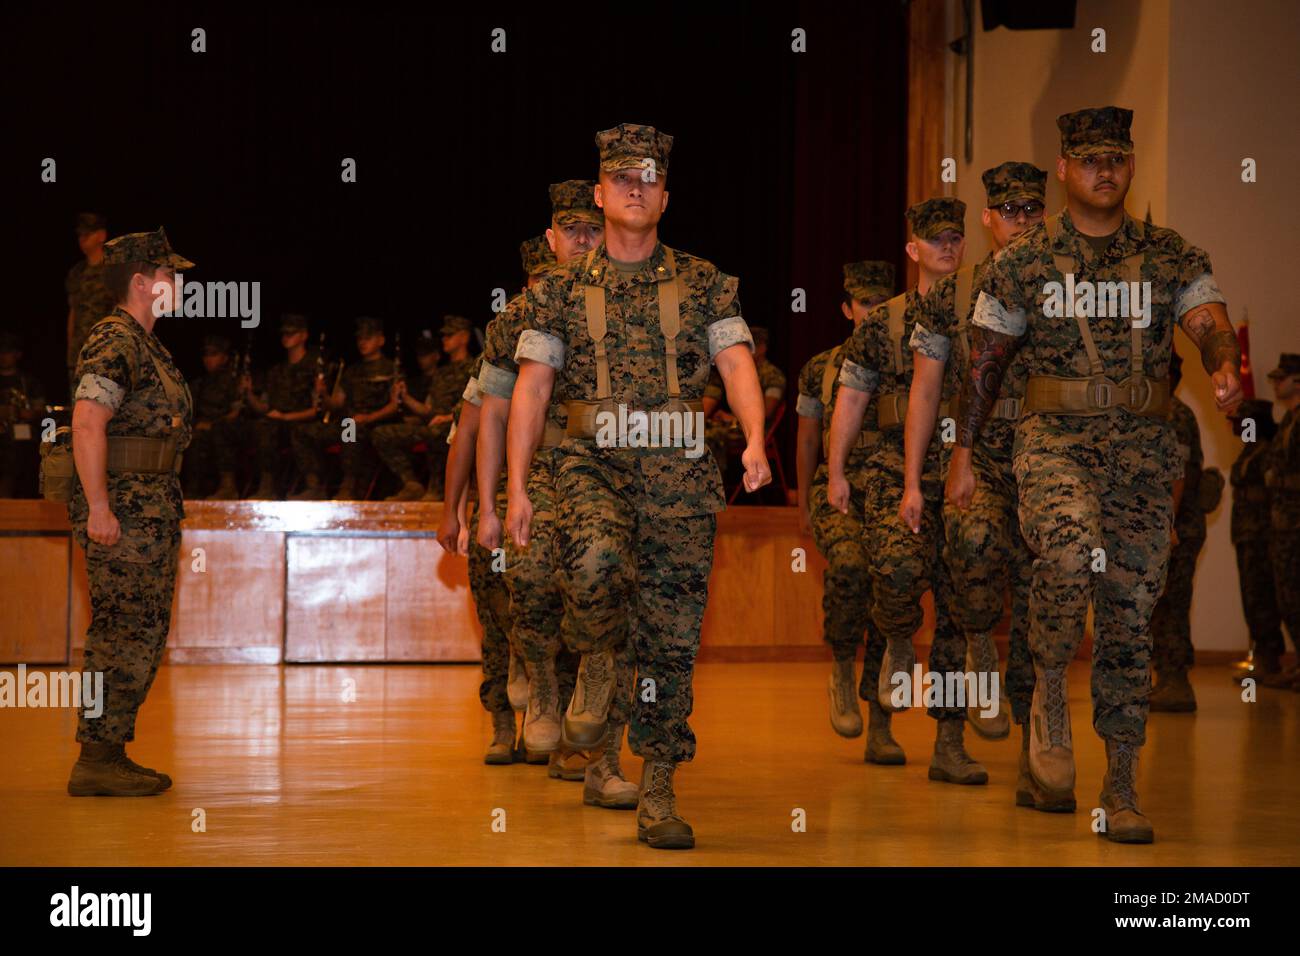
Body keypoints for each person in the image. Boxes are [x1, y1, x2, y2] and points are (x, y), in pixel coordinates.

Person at [947, 106, 1243, 843]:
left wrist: (1225, 366)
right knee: (1069, 547)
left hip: (1143, 453)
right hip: (1052, 442)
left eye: (1116, 157)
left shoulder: (1170, 254)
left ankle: (1121, 785)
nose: (1103, 170)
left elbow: (1208, 318)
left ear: (1131, 165)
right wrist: (961, 452)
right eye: (1089, 159)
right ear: (1066, 170)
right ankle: (1048, 685)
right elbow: (984, 362)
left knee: (1131, 610)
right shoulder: (1023, 261)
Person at [504, 123, 770, 848]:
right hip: (592, 461)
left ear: (665, 196)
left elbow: (739, 364)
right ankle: (594, 657)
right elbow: (531, 391)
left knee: (671, 640)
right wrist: (520, 485)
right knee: (592, 564)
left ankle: (658, 790)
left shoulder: (706, 281)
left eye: (647, 180)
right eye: (622, 179)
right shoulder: (557, 292)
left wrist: (750, 438)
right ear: (599, 193)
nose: (634, 189)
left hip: (681, 475)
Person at [477, 180, 634, 799]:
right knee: (535, 582)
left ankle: (604, 760)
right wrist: (491, 500)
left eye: (593, 230)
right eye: (572, 231)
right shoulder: (517, 318)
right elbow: (490, 415)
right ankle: (540, 679)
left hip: (613, 472)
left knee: (612, 606)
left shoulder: (626, 304)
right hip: (540, 471)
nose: (584, 241)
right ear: (551, 237)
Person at [829, 197, 984, 786]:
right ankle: (890, 667)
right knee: (893, 575)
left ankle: (949, 741)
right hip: (896, 466)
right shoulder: (882, 324)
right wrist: (838, 468)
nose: (948, 247)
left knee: (958, 605)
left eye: (956, 237)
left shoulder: (985, 313)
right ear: (913, 250)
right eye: (934, 239)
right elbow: (851, 399)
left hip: (969, 467)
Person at [909, 162, 1047, 802]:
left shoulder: (1062, 284)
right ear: (986, 218)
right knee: (964, 574)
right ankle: (948, 740)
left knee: (1038, 609)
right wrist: (914, 481)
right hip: (973, 456)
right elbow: (925, 388)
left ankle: (1034, 754)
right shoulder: (949, 295)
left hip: (1046, 456)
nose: (1022, 220)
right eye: (1009, 210)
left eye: (1031, 208)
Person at [65, 227, 195, 796]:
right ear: (143, 283)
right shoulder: (113, 340)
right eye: (171, 274)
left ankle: (108, 750)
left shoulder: (145, 343)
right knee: (121, 630)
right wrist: (99, 507)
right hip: (124, 508)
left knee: (139, 629)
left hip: (149, 507)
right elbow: (87, 422)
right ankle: (96, 757)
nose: (180, 281)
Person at [794, 261, 897, 758]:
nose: (875, 312)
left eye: (883, 303)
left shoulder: (911, 366)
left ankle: (881, 724)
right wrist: (801, 500)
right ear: (847, 309)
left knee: (890, 588)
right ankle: (840, 662)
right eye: (866, 304)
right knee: (851, 568)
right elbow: (808, 436)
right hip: (837, 489)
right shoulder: (821, 367)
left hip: (894, 490)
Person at [1149, 351, 1220, 710]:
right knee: (1162, 605)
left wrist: (1168, 526)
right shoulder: (1164, 412)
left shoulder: (1172, 414)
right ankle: (1167, 677)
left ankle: (1176, 682)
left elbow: (1176, 478)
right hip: (1170, 527)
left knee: (1173, 604)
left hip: (1176, 528)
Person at [293, 316, 399, 500]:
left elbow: (396, 406)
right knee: (302, 431)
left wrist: (369, 418)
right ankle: (314, 484)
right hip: (348, 424)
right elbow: (336, 404)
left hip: (375, 424)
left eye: (368, 338)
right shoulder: (352, 371)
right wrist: (323, 394)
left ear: (380, 340)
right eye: (360, 339)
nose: (362, 342)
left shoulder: (391, 368)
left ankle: (348, 485)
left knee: (350, 428)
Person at [242, 313, 320, 499]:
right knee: (261, 427)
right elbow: (265, 408)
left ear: (304, 335)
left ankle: (314, 486)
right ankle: (266, 486)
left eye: (292, 333)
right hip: (278, 422)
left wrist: (285, 417)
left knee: (300, 431)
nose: (286, 337)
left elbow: (319, 409)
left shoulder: (314, 366)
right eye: (284, 333)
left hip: (304, 421)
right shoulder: (276, 371)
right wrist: (248, 393)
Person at [371, 331, 447, 501]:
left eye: (426, 355)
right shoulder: (414, 381)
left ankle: (436, 487)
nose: (421, 359)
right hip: (421, 425)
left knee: (435, 433)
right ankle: (411, 484)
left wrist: (406, 399)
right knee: (381, 433)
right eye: (419, 355)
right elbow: (414, 414)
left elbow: (431, 412)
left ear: (436, 356)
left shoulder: (442, 376)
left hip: (442, 426)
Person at [1264, 353, 1300, 688]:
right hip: (1284, 525)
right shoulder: (1288, 421)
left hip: (1295, 524)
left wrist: (1276, 479)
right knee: (1287, 597)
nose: (1276, 383)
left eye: (1282, 378)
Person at [183, 334, 243, 500]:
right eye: (206, 355)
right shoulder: (200, 384)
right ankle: (191, 488)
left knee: (220, 431)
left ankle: (228, 485)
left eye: (214, 355)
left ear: (224, 357)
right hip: (203, 430)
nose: (208, 359)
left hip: (227, 430)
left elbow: (237, 412)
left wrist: (213, 424)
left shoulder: (235, 381)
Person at [66, 213, 115, 397]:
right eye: (80, 234)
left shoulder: (114, 269)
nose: (83, 238)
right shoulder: (77, 272)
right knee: (78, 406)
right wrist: (71, 350)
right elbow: (73, 312)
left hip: (105, 352)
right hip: (79, 352)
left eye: (89, 233)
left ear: (102, 235)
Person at [0, 332, 47, 498]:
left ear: (17, 355)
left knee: (19, 462)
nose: (3, 356)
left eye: (7, 351)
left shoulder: (28, 382)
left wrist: (28, 413)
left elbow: (40, 409)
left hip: (20, 438)